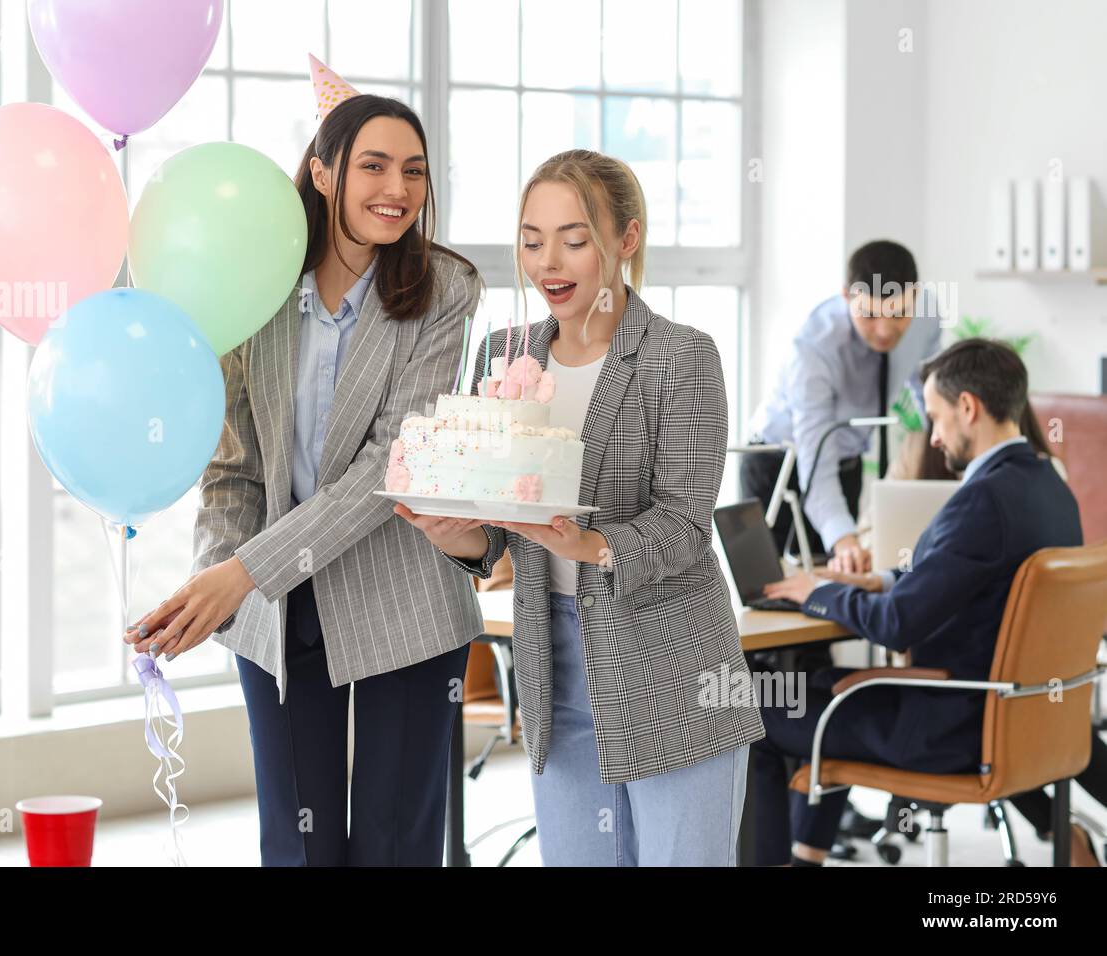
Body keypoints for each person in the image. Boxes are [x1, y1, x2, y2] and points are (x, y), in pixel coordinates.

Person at [126, 75, 483, 866]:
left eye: (415, 171)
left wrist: (242, 573)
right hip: (277, 608)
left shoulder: (445, 289)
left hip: (403, 604)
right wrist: (210, 583)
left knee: (393, 846)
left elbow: (388, 467)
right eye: (375, 166)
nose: (397, 190)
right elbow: (235, 468)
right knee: (298, 845)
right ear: (323, 171)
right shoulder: (257, 278)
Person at [399, 149, 764, 866]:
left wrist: (588, 545)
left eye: (573, 238)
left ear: (625, 241)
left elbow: (686, 524)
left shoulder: (680, 357)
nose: (548, 261)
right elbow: (499, 536)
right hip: (554, 666)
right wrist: (460, 537)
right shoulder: (503, 355)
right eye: (532, 240)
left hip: (671, 671)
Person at [754, 338, 1083, 866]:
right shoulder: (1049, 487)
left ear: (967, 408)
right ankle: (807, 859)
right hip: (1019, 718)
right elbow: (966, 576)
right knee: (814, 688)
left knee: (751, 706)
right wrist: (883, 579)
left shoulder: (983, 500)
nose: (932, 435)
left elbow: (895, 626)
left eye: (935, 416)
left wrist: (820, 592)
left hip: (947, 727)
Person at [744, 240, 942, 573]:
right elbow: (816, 456)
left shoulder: (928, 316)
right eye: (870, 315)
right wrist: (843, 540)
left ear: (916, 296)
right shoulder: (814, 349)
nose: (884, 331)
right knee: (777, 590)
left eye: (898, 314)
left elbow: (929, 390)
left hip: (847, 461)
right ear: (847, 296)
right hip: (780, 463)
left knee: (846, 577)